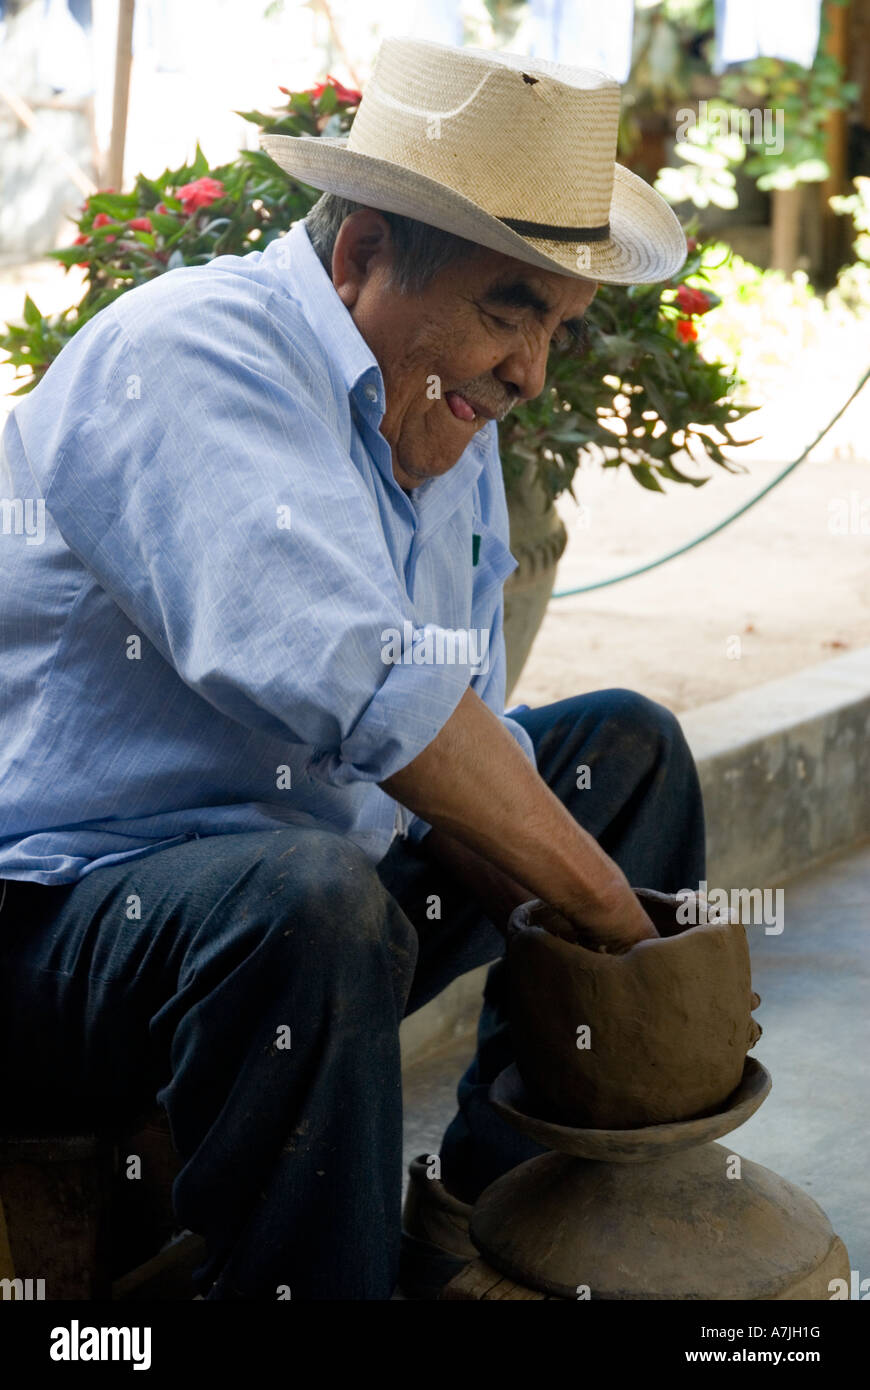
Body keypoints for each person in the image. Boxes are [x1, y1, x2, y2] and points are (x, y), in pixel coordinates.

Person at [0, 37, 704, 1299]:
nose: (530, 373)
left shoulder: (443, 411)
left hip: (291, 906)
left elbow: (464, 735)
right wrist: (611, 921)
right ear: (364, 253)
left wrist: (611, 933)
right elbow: (374, 691)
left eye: (556, 324)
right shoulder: (195, 354)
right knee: (306, 899)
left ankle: (502, 1216)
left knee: (623, 758)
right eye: (508, 306)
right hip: (57, 928)